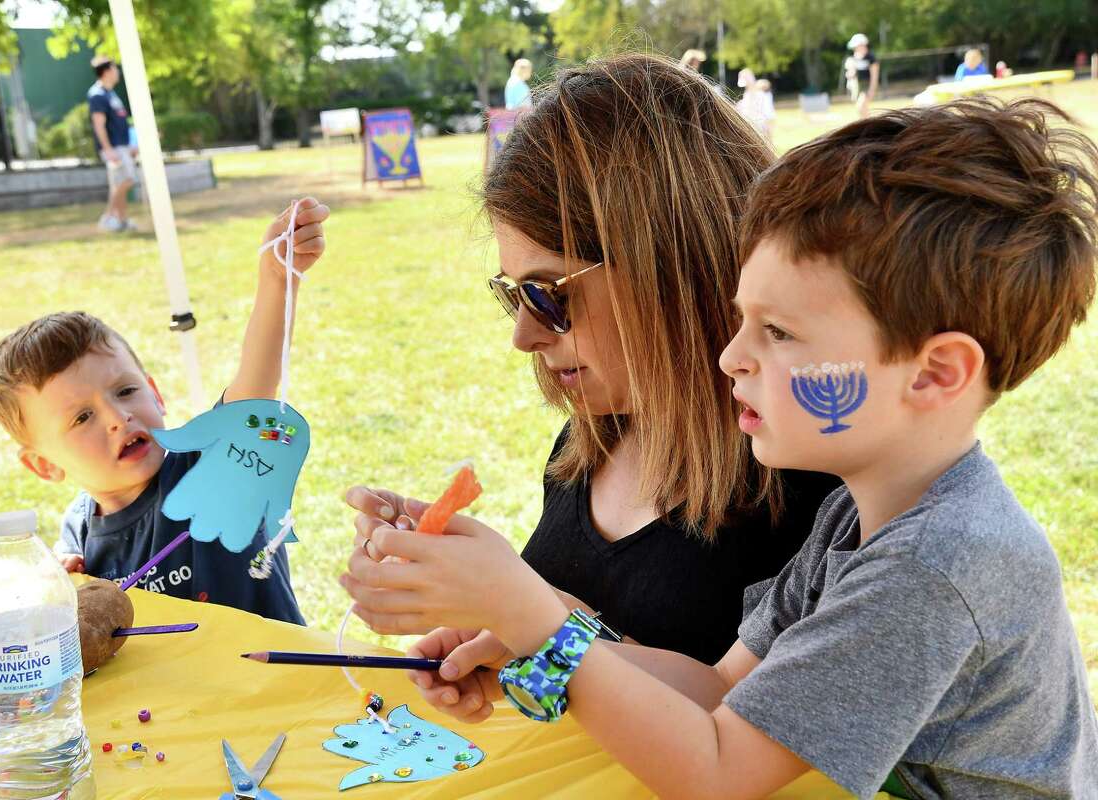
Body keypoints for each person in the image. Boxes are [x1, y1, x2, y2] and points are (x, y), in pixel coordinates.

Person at [343, 98, 1098, 797]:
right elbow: (719, 691)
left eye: (778, 333)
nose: (731, 356)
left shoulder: (938, 565)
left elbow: (717, 769)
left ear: (935, 374)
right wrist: (528, 638)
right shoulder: (859, 520)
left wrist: (526, 609)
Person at [343, 53, 839, 669]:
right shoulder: (590, 446)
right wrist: (472, 598)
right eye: (513, 295)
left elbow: (731, 732)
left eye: (547, 294)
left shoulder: (819, 487)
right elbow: (568, 653)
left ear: (669, 271)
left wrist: (524, 609)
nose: (523, 335)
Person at [0, 197, 330, 624]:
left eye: (126, 390)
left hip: (277, 685)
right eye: (82, 417)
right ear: (43, 465)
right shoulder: (80, 526)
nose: (117, 417)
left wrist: (278, 279)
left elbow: (255, 387)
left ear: (155, 393)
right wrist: (63, 578)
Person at [88, 57, 138, 233]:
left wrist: (131, 144)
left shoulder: (111, 94)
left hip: (122, 145)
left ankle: (122, 220)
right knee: (127, 180)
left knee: (120, 182)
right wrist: (108, 149)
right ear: (107, 71)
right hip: (113, 148)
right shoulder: (97, 95)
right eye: (115, 68)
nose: (118, 72)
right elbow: (99, 124)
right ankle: (108, 217)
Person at [736, 69, 775, 145]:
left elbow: (768, 113)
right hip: (750, 126)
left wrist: (768, 127)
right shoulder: (747, 94)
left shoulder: (762, 95)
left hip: (760, 126)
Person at [845, 33, 879, 118]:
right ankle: (866, 125)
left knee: (861, 106)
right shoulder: (853, 57)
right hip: (858, 86)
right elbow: (851, 73)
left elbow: (874, 76)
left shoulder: (871, 57)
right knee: (861, 109)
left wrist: (872, 90)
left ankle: (867, 125)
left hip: (867, 85)